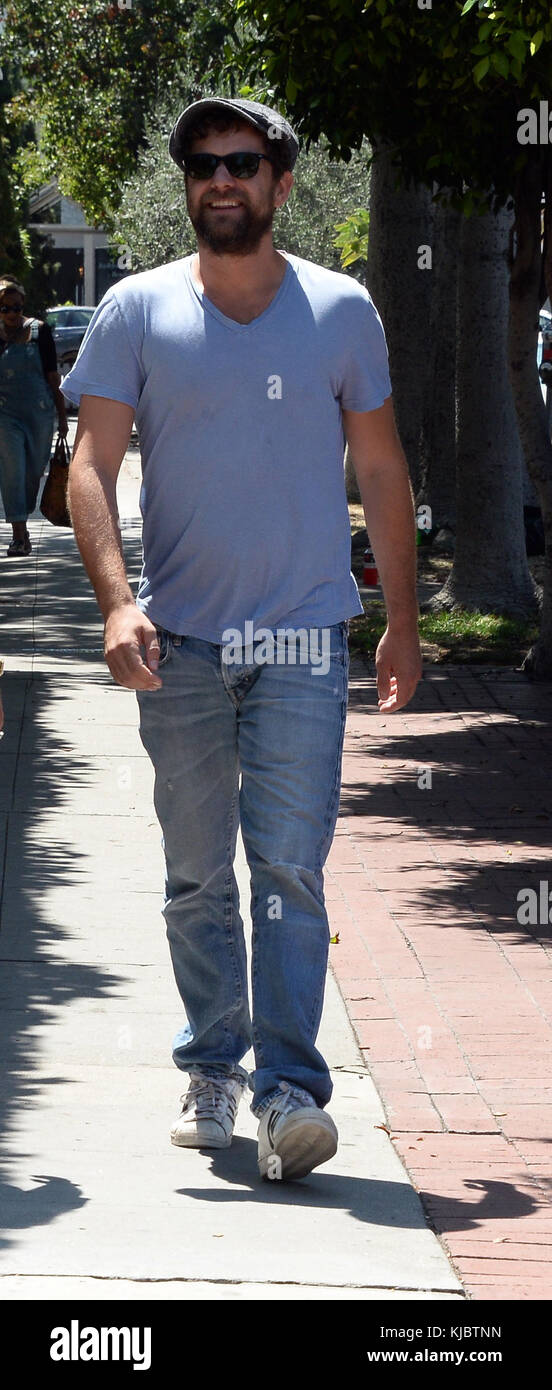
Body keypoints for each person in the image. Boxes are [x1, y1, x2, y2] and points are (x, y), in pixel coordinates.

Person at [63, 97, 422, 1182]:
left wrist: (402, 621)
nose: (220, 179)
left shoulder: (343, 311)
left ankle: (288, 1093)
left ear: (281, 181)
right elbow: (88, 466)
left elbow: (383, 471)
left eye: (242, 163)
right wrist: (117, 602)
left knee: (290, 873)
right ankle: (213, 1061)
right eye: (202, 165)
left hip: (308, 640)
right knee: (194, 877)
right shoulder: (134, 311)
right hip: (181, 641)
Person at [0, 276, 68, 555]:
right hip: (6, 415)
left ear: (23, 306)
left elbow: (53, 377)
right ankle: (19, 533)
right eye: (5, 309)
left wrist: (62, 418)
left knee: (32, 473)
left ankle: (23, 517)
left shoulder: (40, 331)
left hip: (39, 414)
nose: (12, 314)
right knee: (12, 470)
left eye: (16, 308)